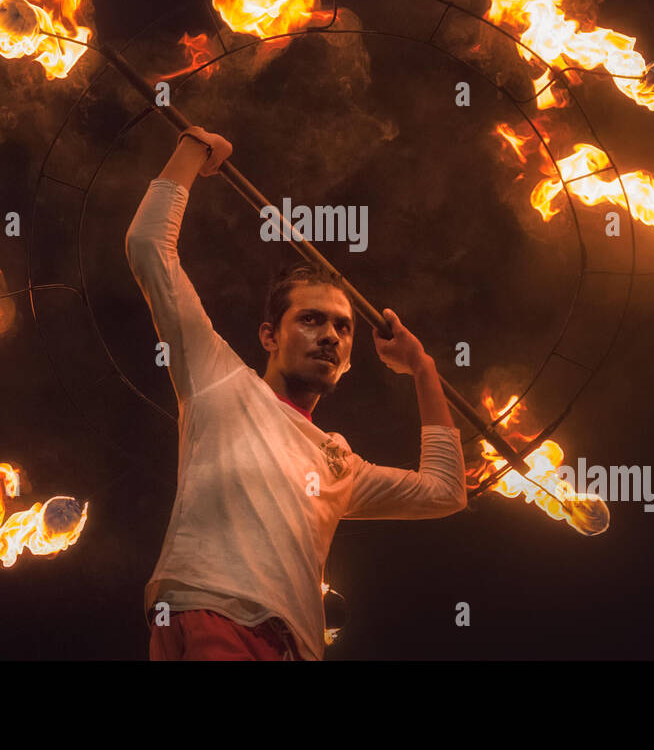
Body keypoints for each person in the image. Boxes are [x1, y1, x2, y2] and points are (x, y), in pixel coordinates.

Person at [126, 125, 467, 660]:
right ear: (269, 335)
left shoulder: (341, 463)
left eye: (342, 327)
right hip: (214, 614)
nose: (329, 335)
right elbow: (149, 247)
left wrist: (422, 370)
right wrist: (195, 148)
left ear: (351, 356)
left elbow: (445, 491)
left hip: (295, 647)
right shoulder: (218, 378)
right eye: (310, 319)